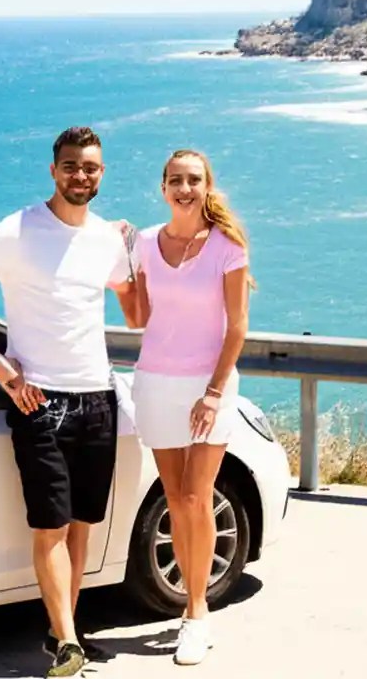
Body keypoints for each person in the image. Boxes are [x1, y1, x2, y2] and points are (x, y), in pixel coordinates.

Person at [0, 126, 138, 678]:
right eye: (71, 166)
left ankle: (62, 636)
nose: (81, 176)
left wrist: (134, 250)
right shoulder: (17, 230)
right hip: (39, 402)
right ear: (53, 170)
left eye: (91, 168)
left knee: (79, 527)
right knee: (49, 527)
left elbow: (136, 314)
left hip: (97, 396)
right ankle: (71, 641)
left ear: (102, 174)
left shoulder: (106, 239)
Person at [127, 148, 252, 666]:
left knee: (199, 499)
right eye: (175, 180)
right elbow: (137, 318)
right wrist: (126, 268)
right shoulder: (145, 245)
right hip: (155, 382)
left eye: (193, 180)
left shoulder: (227, 246)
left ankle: (196, 615)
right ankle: (191, 605)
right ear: (162, 187)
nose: (184, 188)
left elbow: (238, 326)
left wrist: (215, 392)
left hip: (209, 389)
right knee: (175, 501)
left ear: (207, 186)